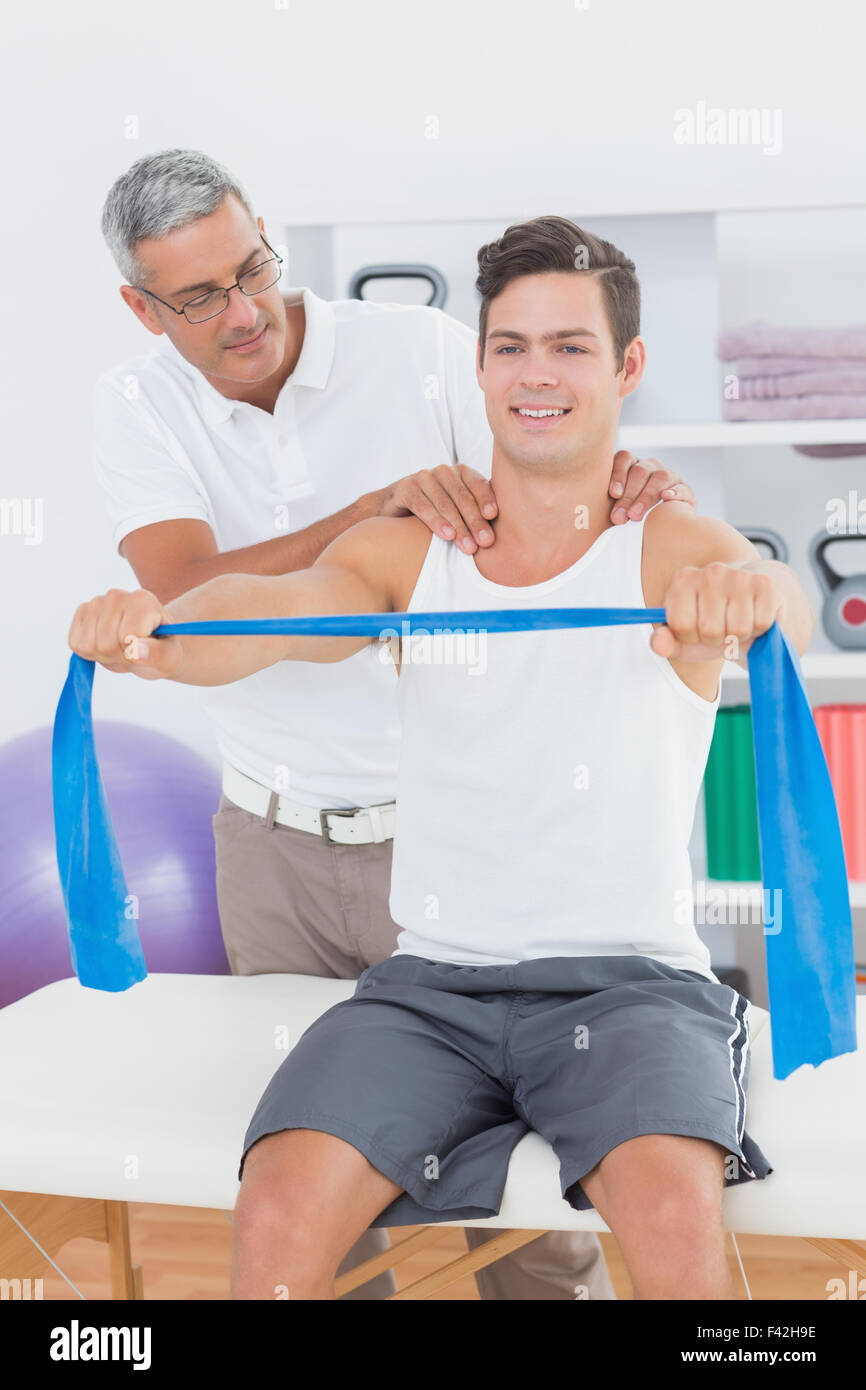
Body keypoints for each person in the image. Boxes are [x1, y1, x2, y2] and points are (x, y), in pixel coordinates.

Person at [91, 163, 711, 1299]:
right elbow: (211, 604)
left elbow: (567, 483)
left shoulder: (421, 352)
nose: (241, 312)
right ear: (143, 308)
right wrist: (145, 629)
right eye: (197, 298)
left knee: (537, 1245)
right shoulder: (165, 423)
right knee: (311, 1199)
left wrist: (659, 513)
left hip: (439, 844)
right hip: (277, 842)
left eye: (254, 271)